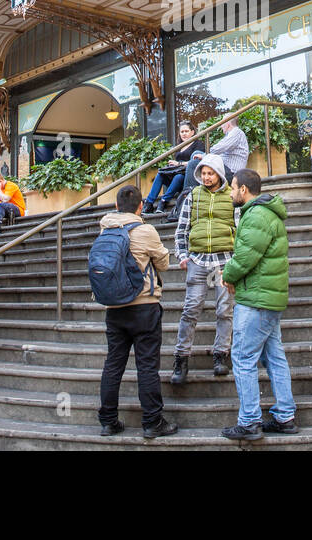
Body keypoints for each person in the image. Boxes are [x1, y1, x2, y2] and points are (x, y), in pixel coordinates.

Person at [96, 185, 177, 439]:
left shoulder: (106, 228)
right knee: (147, 365)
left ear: (117, 206)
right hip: (144, 305)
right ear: (141, 206)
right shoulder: (145, 230)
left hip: (114, 307)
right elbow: (164, 262)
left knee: (113, 364)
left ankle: (108, 421)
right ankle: (152, 421)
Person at [220, 169, 296, 440]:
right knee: (274, 357)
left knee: (242, 358)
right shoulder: (263, 213)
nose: (230, 192)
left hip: (256, 300)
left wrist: (227, 275)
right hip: (268, 297)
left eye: (233, 187)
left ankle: (250, 420)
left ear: (244, 190)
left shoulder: (256, 215)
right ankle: (285, 415)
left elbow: (244, 258)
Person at [170, 153, 237, 384]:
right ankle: (181, 358)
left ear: (219, 173)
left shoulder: (231, 196)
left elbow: (239, 228)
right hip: (198, 261)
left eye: (210, 173)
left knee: (224, 311)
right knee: (190, 310)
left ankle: (221, 355)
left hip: (224, 261)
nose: (207, 177)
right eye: (203, 173)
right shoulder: (193, 196)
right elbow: (182, 228)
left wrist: (237, 259)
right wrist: (182, 255)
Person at [142, 121, 204, 214]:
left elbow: (196, 162)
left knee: (178, 177)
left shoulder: (198, 144)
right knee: (161, 174)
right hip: (177, 173)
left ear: (192, 132)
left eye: (186, 131)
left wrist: (179, 163)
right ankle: (149, 203)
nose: (184, 134)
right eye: (182, 132)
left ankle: (163, 202)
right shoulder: (179, 146)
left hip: (187, 177)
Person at [182, 115, 248, 190]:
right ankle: (196, 190)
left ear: (227, 124)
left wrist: (205, 155)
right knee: (196, 154)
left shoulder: (236, 132)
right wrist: (204, 155)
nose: (221, 126)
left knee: (193, 164)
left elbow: (221, 147)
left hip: (232, 173)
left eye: (222, 123)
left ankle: (187, 195)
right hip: (225, 168)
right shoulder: (231, 134)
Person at [0, 170, 25, 235]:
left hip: (18, 210)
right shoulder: (0, 189)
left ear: (0, 181)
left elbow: (5, 199)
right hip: (6, 208)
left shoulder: (11, 185)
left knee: (1, 204)